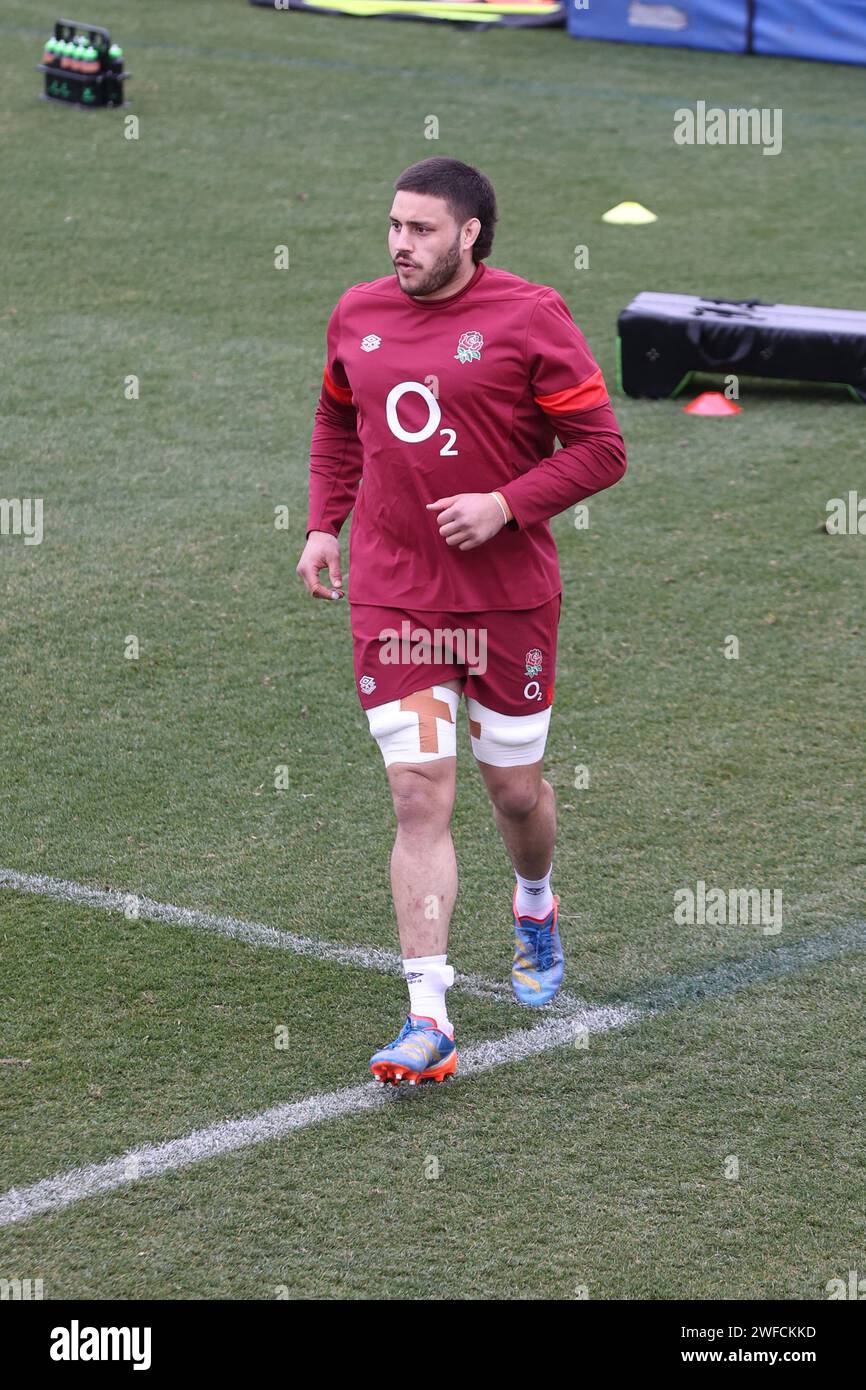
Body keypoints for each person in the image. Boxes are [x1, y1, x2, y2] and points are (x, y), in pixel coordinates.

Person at [296, 157, 626, 1087]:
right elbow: (336, 419)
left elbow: (602, 448)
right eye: (395, 226)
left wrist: (508, 504)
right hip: (402, 597)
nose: (402, 244)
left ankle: (534, 900)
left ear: (470, 234)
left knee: (514, 793)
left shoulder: (531, 318)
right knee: (418, 790)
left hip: (508, 601)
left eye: (423, 229)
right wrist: (327, 522)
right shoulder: (358, 314)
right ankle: (428, 1013)